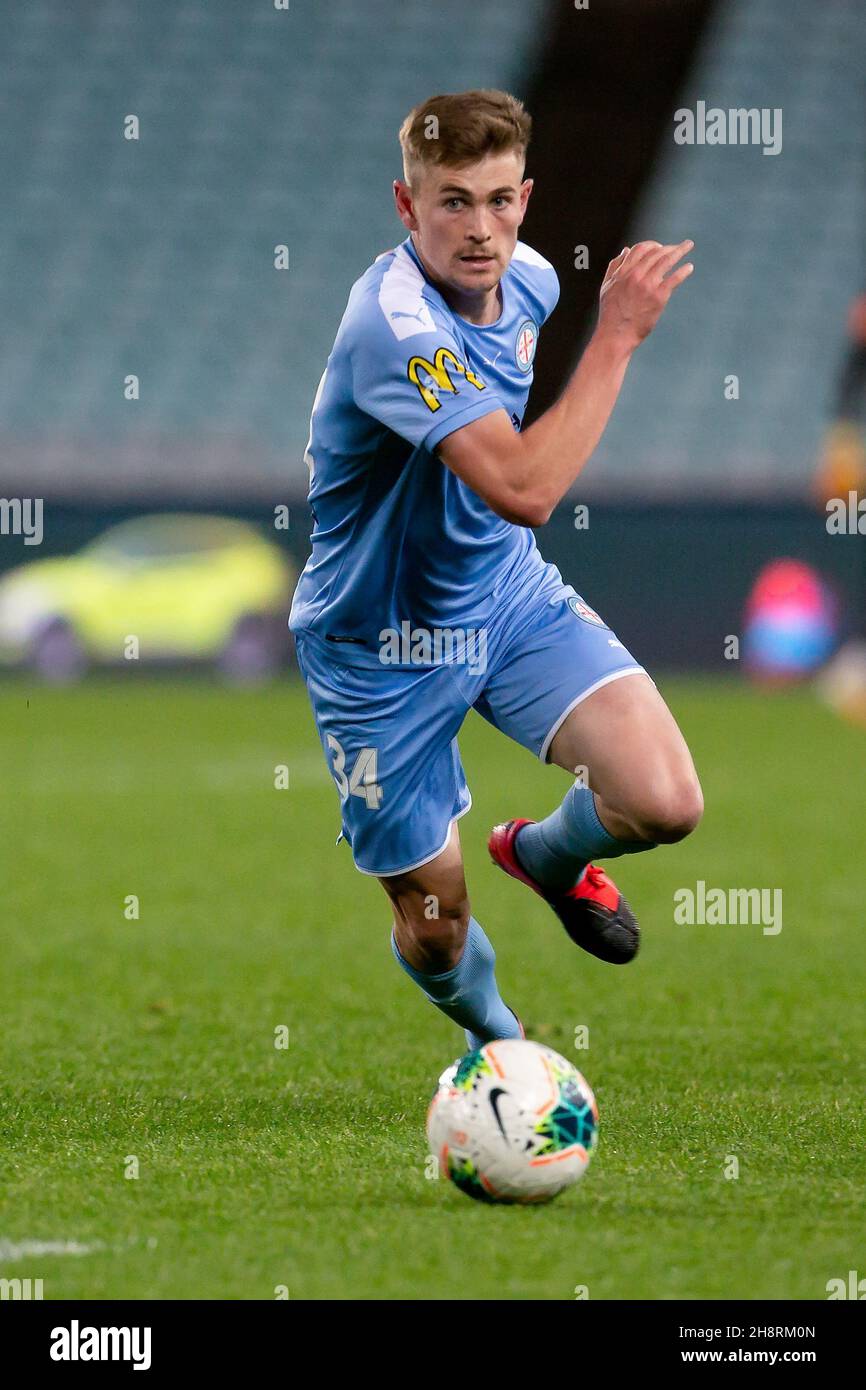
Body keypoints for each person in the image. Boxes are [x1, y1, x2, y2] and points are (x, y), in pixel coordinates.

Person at [289, 89, 703, 1052]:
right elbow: (523, 485)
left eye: (501, 200)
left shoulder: (534, 280)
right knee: (435, 933)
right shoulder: (394, 326)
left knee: (664, 802)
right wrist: (618, 337)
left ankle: (547, 857)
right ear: (406, 206)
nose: (482, 231)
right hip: (377, 647)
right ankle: (502, 1046)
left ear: (527, 195)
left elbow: (509, 506)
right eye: (453, 203)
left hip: (502, 595)